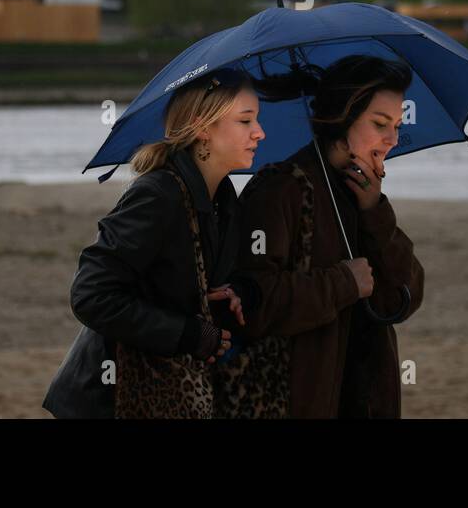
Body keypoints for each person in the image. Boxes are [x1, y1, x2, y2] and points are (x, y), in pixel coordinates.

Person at [42, 67, 264, 418]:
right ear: (203, 127)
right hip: (110, 400)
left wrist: (240, 290)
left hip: (167, 396)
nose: (259, 133)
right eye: (245, 121)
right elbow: (90, 294)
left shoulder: (224, 198)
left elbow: (215, 277)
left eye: (257, 120)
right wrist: (188, 334)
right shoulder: (158, 196)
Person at [235, 55, 424, 418]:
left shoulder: (363, 194)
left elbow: (405, 297)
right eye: (380, 124)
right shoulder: (279, 189)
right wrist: (342, 283)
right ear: (344, 116)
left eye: (397, 125)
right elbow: (253, 303)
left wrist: (375, 211)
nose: (393, 139)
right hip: (298, 399)